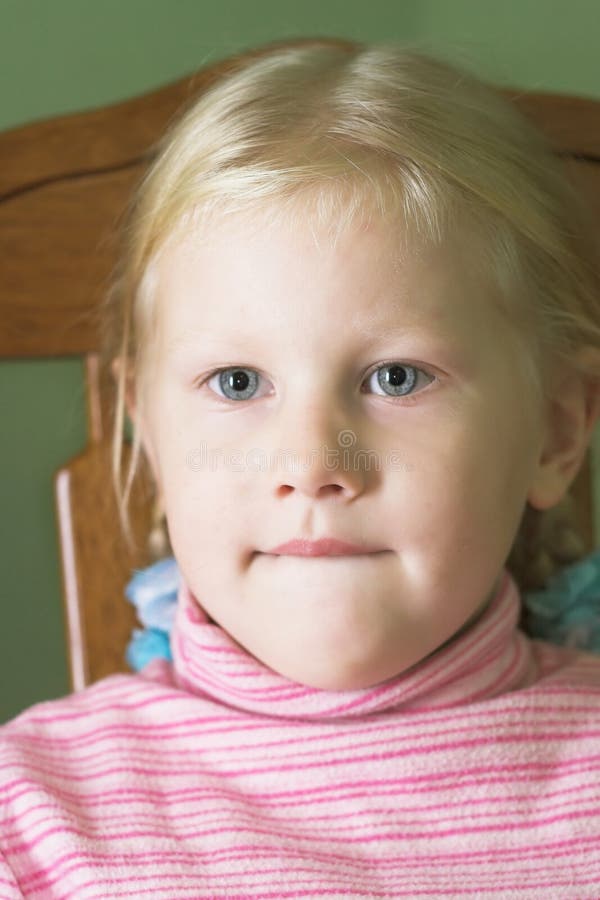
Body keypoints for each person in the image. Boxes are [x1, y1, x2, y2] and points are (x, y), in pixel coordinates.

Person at [2, 37, 600, 899]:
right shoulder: (33, 817)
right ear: (151, 439)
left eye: (396, 378)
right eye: (238, 382)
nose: (314, 466)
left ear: (555, 430)